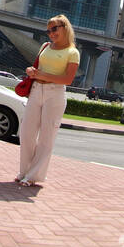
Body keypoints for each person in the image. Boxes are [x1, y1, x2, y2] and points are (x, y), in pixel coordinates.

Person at [15, 14, 80, 188]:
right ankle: (24, 171)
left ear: (65, 28)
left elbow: (68, 79)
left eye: (54, 29)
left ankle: (33, 175)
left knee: (46, 136)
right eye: (48, 30)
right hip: (36, 90)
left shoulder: (73, 52)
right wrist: (32, 70)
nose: (51, 33)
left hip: (55, 94)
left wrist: (42, 75)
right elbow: (39, 67)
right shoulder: (45, 46)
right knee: (26, 131)